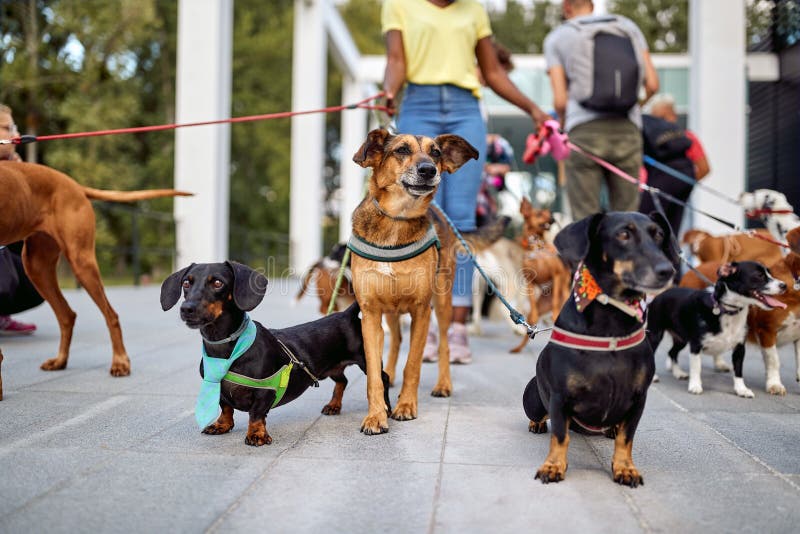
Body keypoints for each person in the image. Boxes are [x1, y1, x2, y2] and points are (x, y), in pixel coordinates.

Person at [382, 0, 549, 364]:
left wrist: (534, 109)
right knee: (422, 219)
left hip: (465, 109)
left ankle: (456, 330)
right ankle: (425, 323)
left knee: (460, 220)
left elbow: (492, 72)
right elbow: (396, 61)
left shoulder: (473, 9)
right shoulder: (398, 5)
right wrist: (389, 91)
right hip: (418, 103)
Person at [544, 0, 659, 220]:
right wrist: (635, 107)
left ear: (567, 7)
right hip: (627, 130)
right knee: (628, 220)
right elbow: (653, 84)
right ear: (591, 4)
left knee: (585, 220)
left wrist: (563, 127)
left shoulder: (557, 37)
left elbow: (560, 101)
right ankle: (627, 255)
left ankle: (590, 255)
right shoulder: (628, 26)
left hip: (582, 133)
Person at [638, 93, 711, 237]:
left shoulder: (646, 138)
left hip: (651, 189)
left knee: (645, 230)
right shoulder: (687, 137)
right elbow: (704, 169)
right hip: (682, 186)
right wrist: (680, 183)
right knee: (671, 233)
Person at [0, 104, 41, 335]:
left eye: (15, 128)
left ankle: (1, 315)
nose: (16, 135)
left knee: (40, 278)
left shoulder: (16, 168)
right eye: (8, 128)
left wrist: (18, 172)